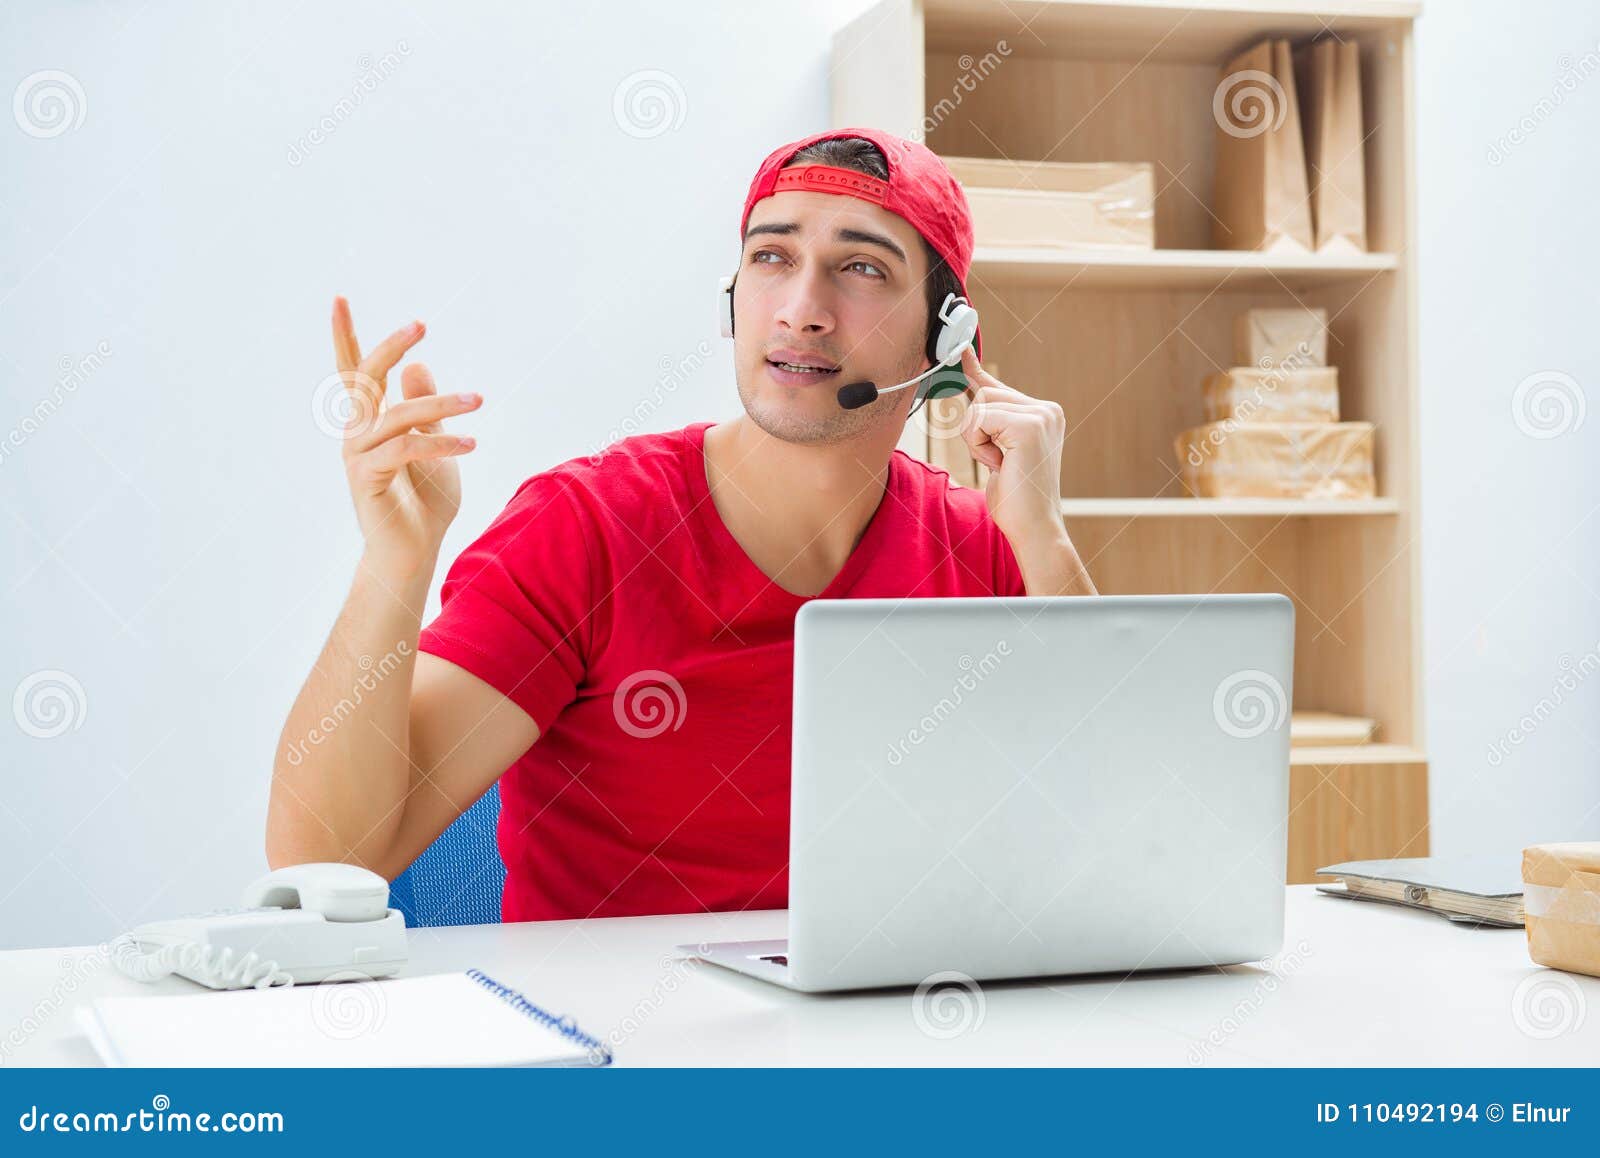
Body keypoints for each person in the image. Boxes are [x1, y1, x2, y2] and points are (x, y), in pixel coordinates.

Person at [266, 127, 1096, 922]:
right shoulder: (585, 526)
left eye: (862, 268)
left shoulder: (980, 544)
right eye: (771, 257)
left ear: (946, 338)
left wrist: (1045, 538)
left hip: (882, 1041)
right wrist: (394, 563)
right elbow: (325, 861)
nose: (802, 309)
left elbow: (1109, 839)